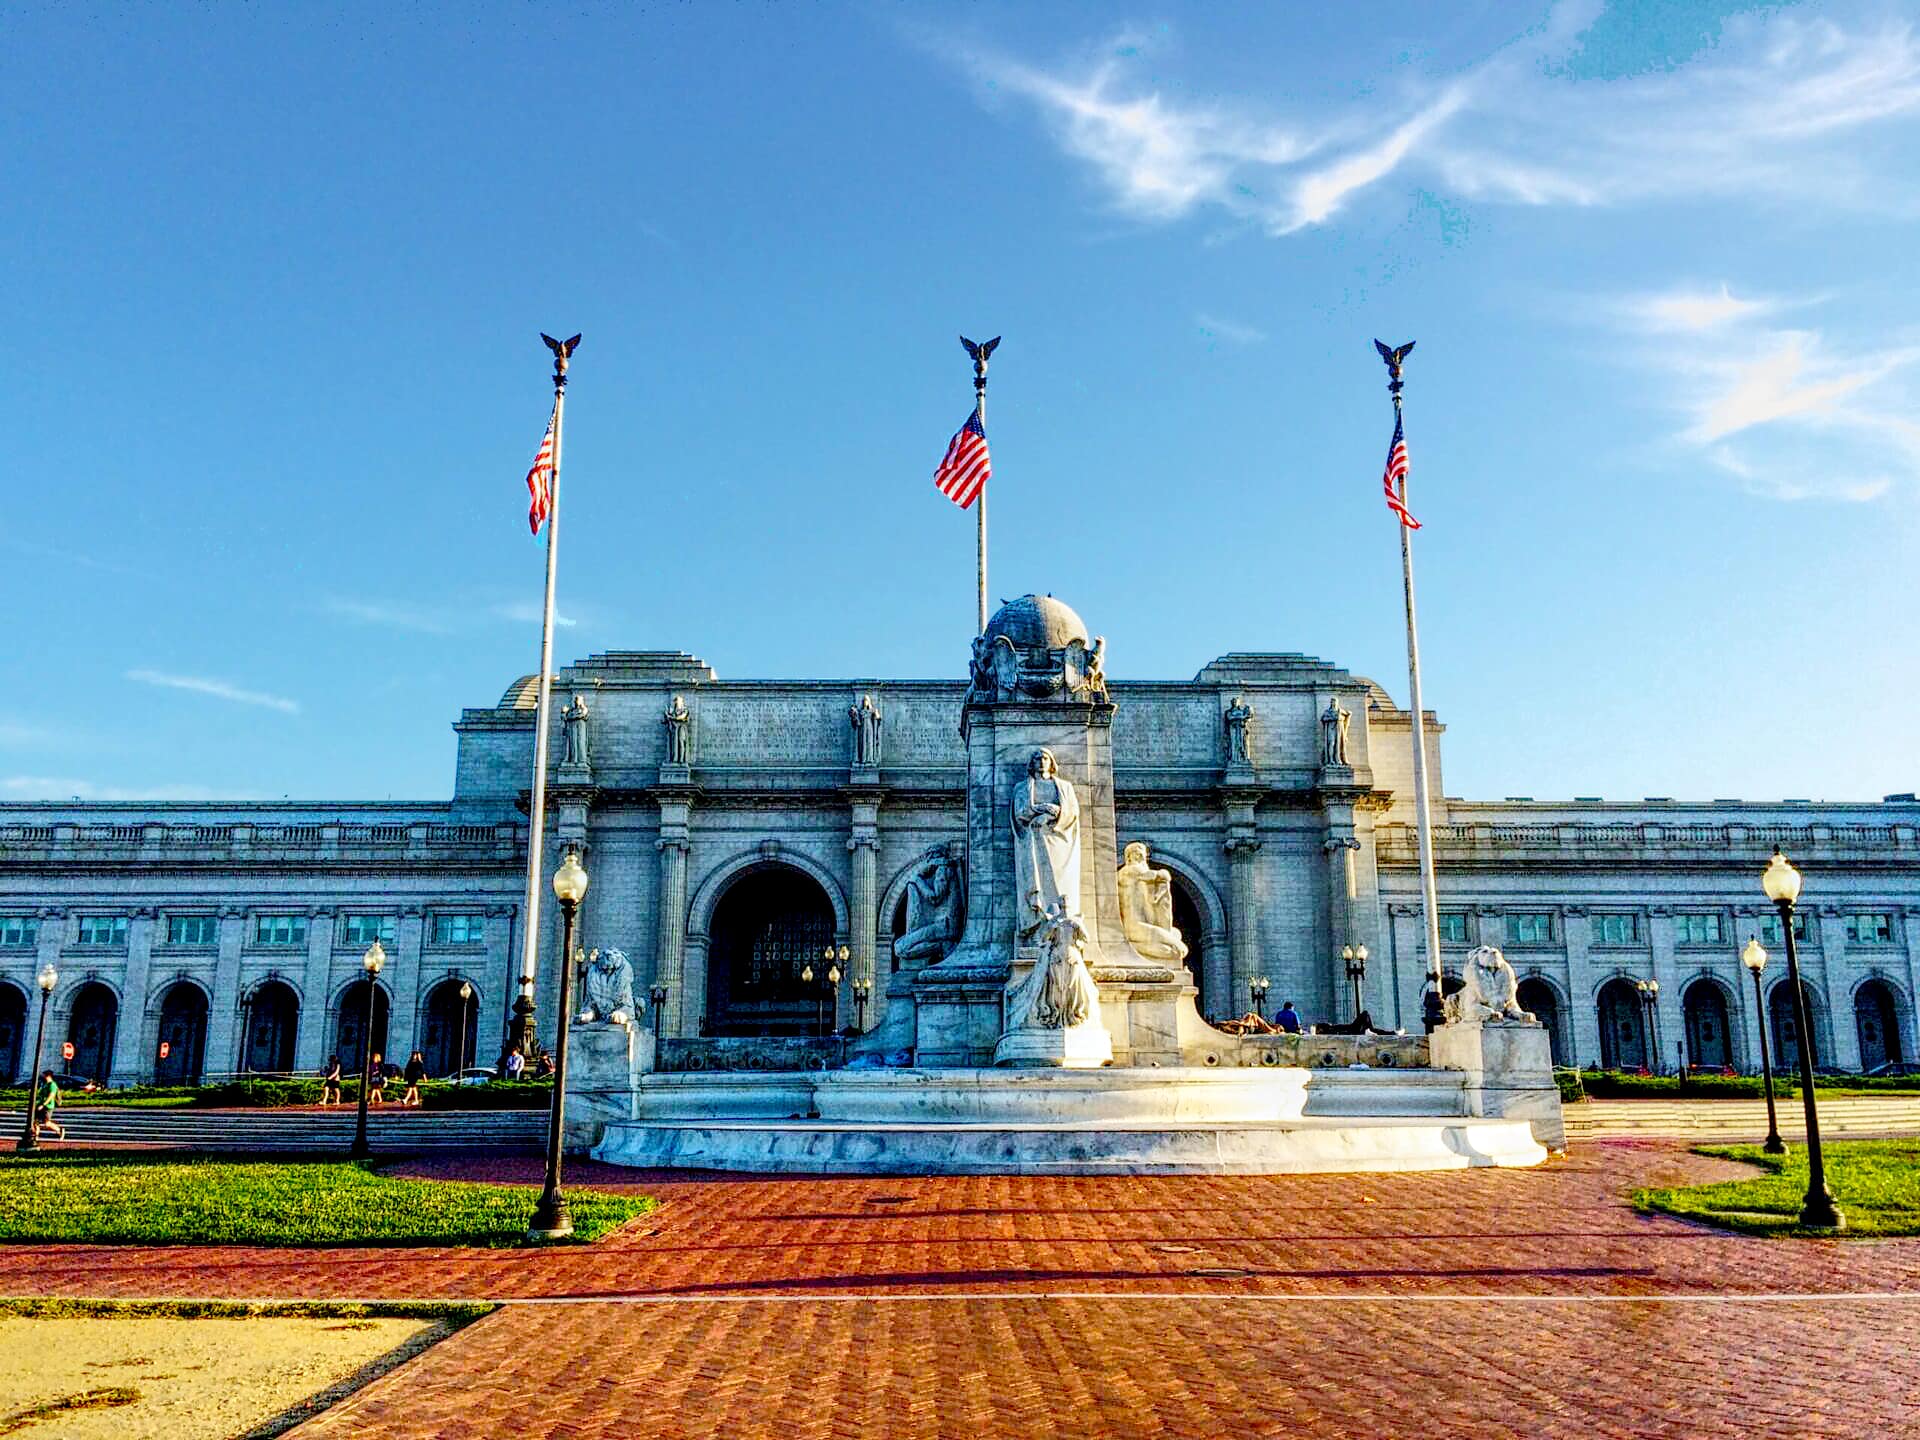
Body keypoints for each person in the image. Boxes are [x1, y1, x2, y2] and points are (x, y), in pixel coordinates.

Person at [32, 1070, 63, 1142]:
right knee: (35, 1122)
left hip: (48, 1106)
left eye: (44, 1075)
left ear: (48, 1076)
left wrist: (43, 1105)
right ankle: (36, 1137)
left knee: (47, 1123)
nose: (42, 1076)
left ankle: (59, 1130)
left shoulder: (52, 1085)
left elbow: (51, 1096)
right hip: (39, 1105)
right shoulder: (44, 1084)